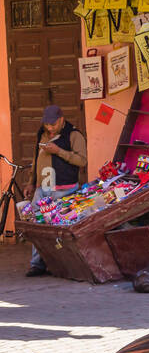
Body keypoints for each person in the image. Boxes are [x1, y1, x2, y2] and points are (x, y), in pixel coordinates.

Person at [24, 104, 87, 277]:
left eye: (53, 124)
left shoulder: (74, 135)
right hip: (42, 188)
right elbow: (36, 159)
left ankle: (64, 264)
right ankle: (37, 264)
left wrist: (59, 151)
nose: (50, 128)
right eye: (47, 125)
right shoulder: (41, 134)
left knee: (60, 228)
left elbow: (82, 161)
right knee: (38, 226)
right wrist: (31, 182)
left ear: (61, 120)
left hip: (64, 189)